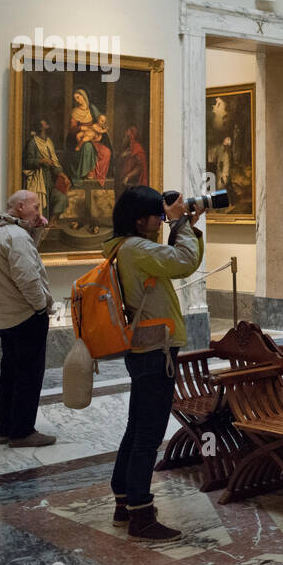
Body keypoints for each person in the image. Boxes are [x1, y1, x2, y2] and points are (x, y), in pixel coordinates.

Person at [104, 185, 205, 541]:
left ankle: (123, 501)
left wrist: (185, 226)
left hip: (145, 346)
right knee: (148, 434)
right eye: (157, 215)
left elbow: (179, 259)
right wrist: (181, 226)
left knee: (137, 427)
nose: (162, 220)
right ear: (139, 219)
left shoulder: (124, 246)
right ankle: (141, 515)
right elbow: (183, 262)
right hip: (154, 349)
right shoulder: (135, 249)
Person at [0, 190, 56, 448]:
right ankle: (22, 432)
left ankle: (5, 428)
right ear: (20, 206)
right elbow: (28, 278)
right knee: (28, 376)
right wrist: (41, 307)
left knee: (10, 373)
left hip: (5, 316)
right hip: (26, 316)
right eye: (35, 206)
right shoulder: (16, 236)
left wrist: (36, 230)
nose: (38, 211)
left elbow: (22, 261)